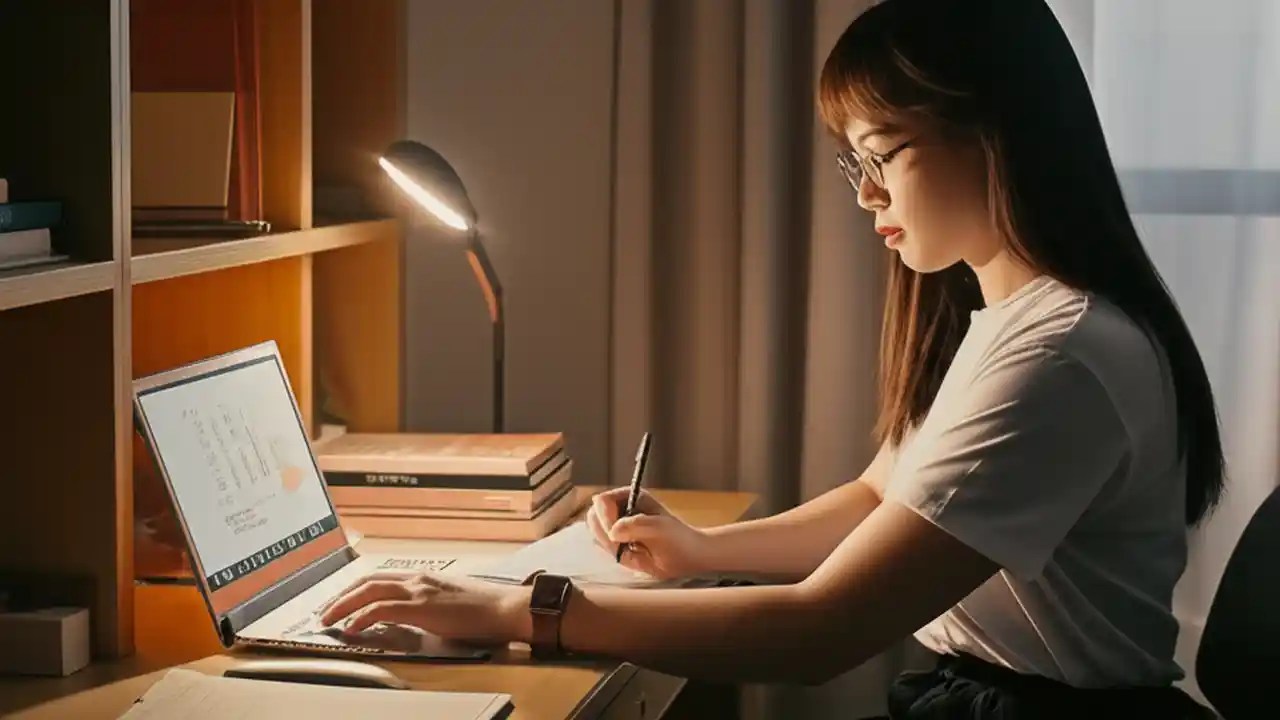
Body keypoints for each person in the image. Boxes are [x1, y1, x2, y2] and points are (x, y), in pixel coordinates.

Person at [319, 0, 1223, 716]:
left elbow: (817, 634)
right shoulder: (1007, 316)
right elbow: (883, 498)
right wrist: (705, 550)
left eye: (883, 154)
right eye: (852, 163)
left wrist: (519, 610)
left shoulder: (1063, 353)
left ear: (998, 131)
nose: (866, 192)